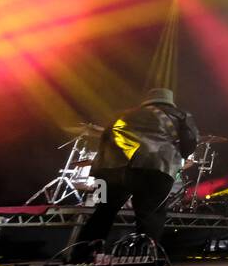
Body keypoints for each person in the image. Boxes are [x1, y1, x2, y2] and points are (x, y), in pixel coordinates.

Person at [77, 88, 199, 249]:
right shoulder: (180, 115)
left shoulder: (122, 115)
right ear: (170, 101)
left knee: (103, 212)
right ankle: (144, 257)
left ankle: (82, 254)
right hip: (154, 169)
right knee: (150, 214)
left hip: (109, 171)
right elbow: (190, 144)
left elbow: (104, 141)